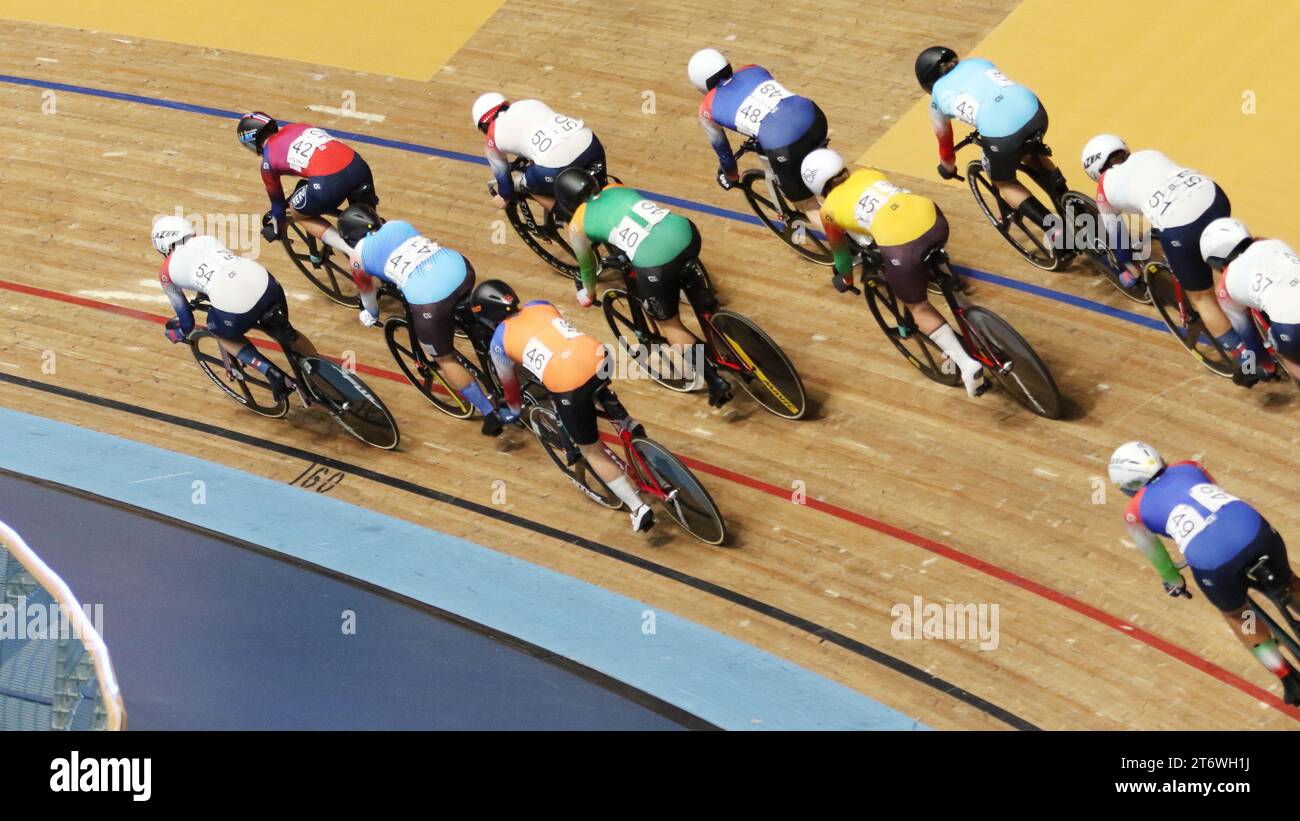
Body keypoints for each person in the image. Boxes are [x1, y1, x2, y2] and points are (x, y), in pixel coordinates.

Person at [1109, 441, 1300, 705]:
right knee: (1288, 582)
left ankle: (1288, 677)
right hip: (1256, 532)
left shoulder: (1133, 513)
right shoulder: (1189, 465)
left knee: (1237, 613)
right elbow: (1217, 491)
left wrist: (1174, 580)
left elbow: (1161, 561)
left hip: (1214, 562)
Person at [1081, 135, 1274, 386]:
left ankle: (1254, 362)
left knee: (1202, 297)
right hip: (1213, 196)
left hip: (1180, 225)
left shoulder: (1104, 188)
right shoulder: (1148, 153)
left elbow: (1116, 234)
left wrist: (1128, 267)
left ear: (1095, 172)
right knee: (1227, 260)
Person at [471, 280, 655, 533]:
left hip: (568, 383)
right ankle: (626, 423)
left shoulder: (498, 343)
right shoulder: (539, 305)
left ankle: (638, 507)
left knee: (591, 450)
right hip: (599, 355)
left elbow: (511, 388)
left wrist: (513, 412)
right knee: (592, 384)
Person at [801, 149, 986, 398]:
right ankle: (961, 298)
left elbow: (842, 256)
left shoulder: (828, 211)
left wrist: (846, 279)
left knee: (917, 307)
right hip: (934, 218)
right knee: (929, 256)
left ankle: (966, 365)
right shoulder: (868, 172)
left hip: (904, 246)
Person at [552, 167, 733, 407]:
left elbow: (588, 267)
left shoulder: (576, 226)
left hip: (656, 263)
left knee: (669, 325)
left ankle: (715, 382)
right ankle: (708, 303)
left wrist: (590, 292)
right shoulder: (615, 187)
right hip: (686, 232)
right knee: (681, 270)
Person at [338, 205, 508, 435]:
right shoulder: (397, 223)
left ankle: (490, 413)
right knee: (469, 316)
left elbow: (368, 293)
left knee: (444, 358)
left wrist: (372, 314)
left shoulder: (357, 257)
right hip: (461, 268)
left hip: (430, 299)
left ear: (349, 238)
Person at [151, 215, 315, 402]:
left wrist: (178, 333)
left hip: (234, 302)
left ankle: (272, 373)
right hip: (265, 282)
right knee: (286, 331)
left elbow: (187, 323)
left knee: (217, 331)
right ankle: (321, 374)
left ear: (163, 248)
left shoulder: (166, 273)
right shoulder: (207, 239)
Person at [915, 46, 1065, 247]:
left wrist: (947, 169)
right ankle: (1068, 198)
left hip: (1002, 133)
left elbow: (946, 147)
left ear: (927, 83)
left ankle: (1055, 230)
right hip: (1035, 111)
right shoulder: (977, 61)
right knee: (1029, 153)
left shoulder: (937, 100)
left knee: (1004, 181)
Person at [687, 48, 828, 217]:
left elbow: (725, 155)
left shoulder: (707, 109)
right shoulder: (753, 68)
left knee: (807, 205)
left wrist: (731, 177)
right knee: (828, 176)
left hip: (784, 143)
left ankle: (842, 243)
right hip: (815, 117)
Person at [236, 111, 378, 254]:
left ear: (251, 142)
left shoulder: (267, 164)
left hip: (329, 183)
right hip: (358, 165)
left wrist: (276, 230)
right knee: (370, 223)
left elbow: (278, 206)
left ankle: (352, 251)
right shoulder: (296, 127)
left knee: (296, 211)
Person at [1200, 217, 1300, 381]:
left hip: (1292, 323)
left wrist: (1258, 367)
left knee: (1289, 357)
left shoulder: (1226, 286)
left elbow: (1248, 335)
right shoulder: (1274, 243)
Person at [471, 92, 606, 212]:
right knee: (604, 188)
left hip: (557, 166)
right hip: (589, 143)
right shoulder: (529, 103)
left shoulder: (491, 138)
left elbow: (506, 187)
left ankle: (574, 221)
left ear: (484, 126)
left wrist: (504, 197)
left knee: (523, 185)